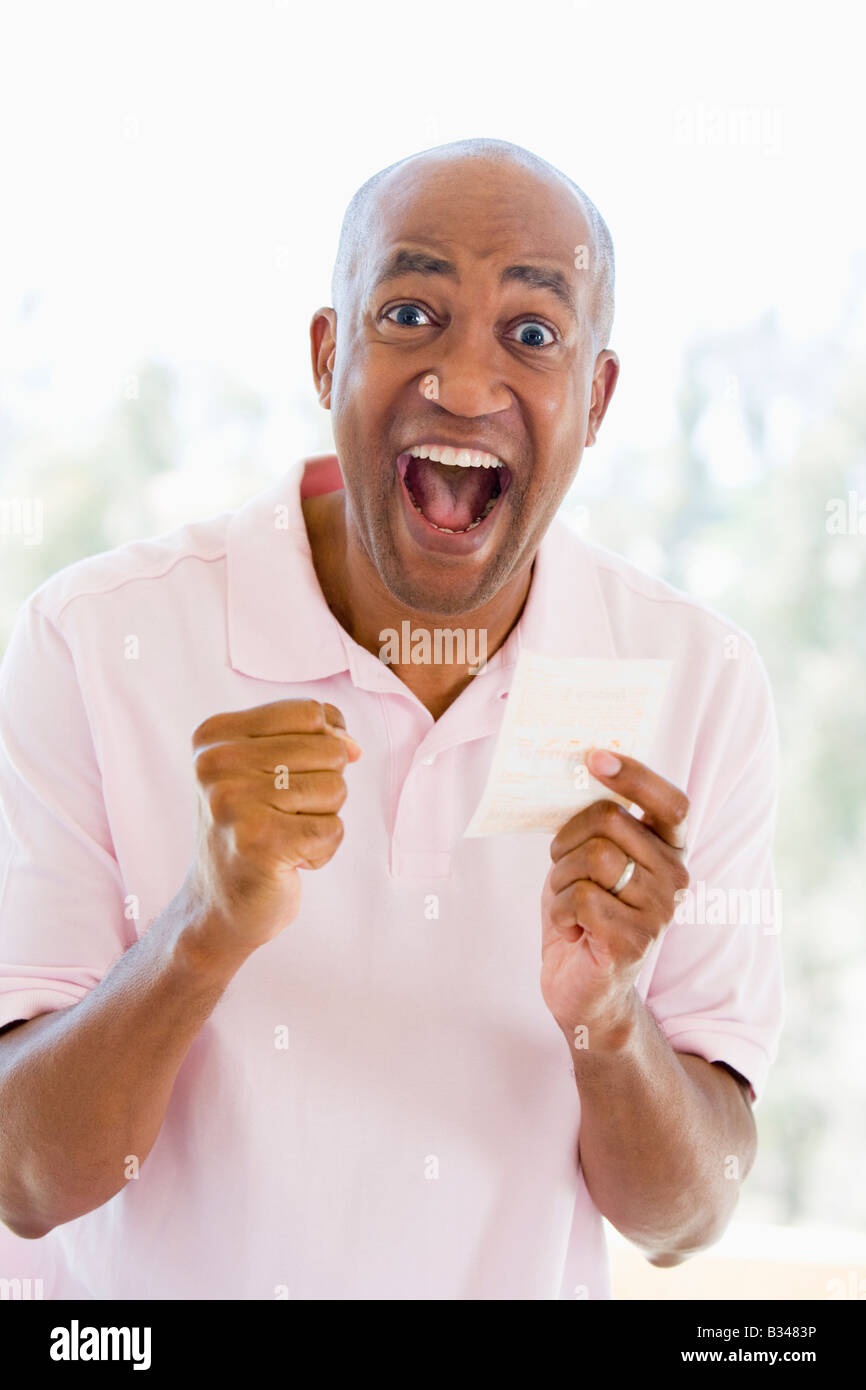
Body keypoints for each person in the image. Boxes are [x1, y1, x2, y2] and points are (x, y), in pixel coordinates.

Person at [0, 138, 782, 1300]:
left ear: (595, 398)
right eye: (410, 312)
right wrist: (202, 929)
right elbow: (28, 1176)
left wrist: (608, 1024)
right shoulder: (92, 636)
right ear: (327, 355)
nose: (463, 385)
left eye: (531, 333)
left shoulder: (693, 677)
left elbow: (685, 1215)